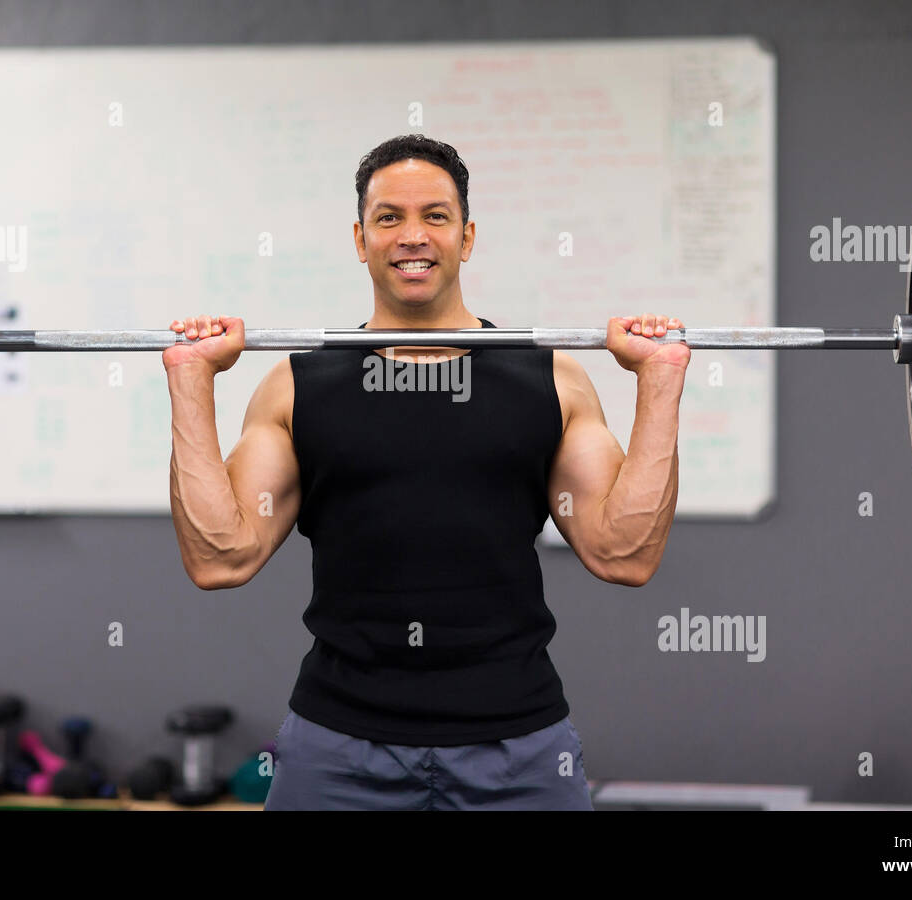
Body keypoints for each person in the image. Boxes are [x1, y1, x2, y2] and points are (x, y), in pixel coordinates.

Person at [163, 134, 689, 809]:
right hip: (337, 747)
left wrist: (660, 381)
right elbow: (219, 558)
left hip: (519, 746)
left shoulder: (549, 380)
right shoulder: (299, 386)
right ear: (361, 239)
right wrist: (191, 381)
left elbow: (625, 553)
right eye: (390, 218)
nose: (413, 236)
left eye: (435, 216)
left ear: (467, 237)